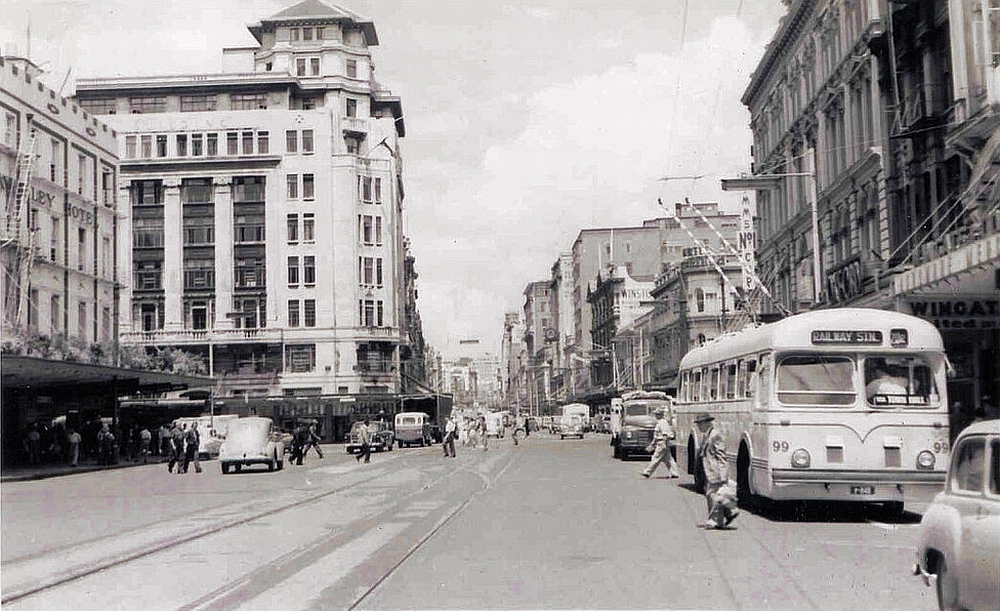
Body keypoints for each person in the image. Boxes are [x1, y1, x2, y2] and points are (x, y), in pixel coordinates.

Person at [696, 412, 738, 529]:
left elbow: (721, 455)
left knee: (712, 495)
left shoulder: (715, 436)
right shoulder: (708, 435)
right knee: (713, 494)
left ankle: (716, 519)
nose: (698, 426)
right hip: (710, 471)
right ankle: (724, 516)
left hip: (716, 471)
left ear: (707, 423)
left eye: (700, 423)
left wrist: (723, 474)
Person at [642, 406, 680, 479]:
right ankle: (674, 473)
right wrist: (652, 444)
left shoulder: (662, 423)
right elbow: (656, 436)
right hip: (661, 442)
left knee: (656, 457)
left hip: (662, 442)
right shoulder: (660, 422)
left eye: (656, 414)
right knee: (668, 459)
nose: (655, 416)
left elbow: (664, 434)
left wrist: (664, 443)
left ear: (660, 415)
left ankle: (647, 472)